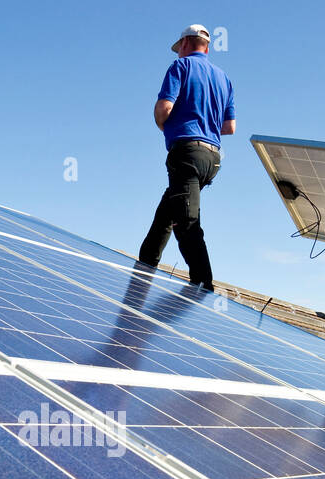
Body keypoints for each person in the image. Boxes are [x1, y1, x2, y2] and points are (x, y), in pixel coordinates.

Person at [136, 24, 235, 291]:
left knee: (186, 222)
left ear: (185, 44)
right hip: (212, 159)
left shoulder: (180, 67)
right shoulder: (224, 78)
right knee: (167, 213)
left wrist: (169, 127)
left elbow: (163, 108)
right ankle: (144, 267)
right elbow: (229, 127)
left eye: (179, 47)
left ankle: (204, 285)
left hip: (187, 152)